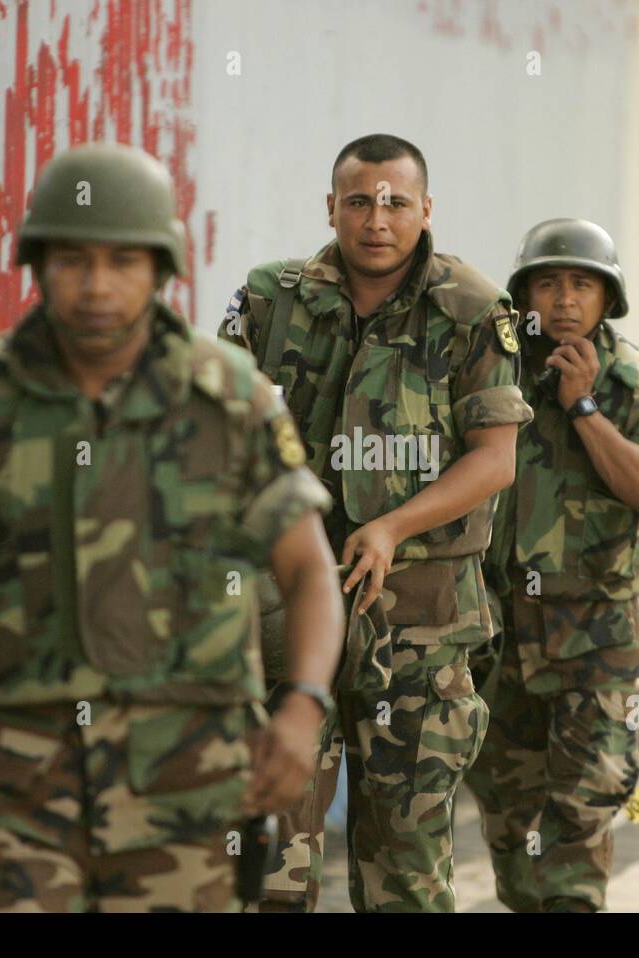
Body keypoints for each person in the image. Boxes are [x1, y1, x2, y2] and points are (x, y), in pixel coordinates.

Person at [0, 142, 344, 912]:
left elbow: (309, 570)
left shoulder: (229, 400)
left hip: (186, 798)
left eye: (123, 261)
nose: (96, 285)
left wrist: (303, 707)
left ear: (162, 269)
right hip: (17, 798)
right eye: (72, 259)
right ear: (35, 263)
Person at [219, 133, 533, 912]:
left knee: (405, 878)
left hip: (421, 635)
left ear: (426, 211)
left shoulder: (471, 309)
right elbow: (218, 438)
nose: (376, 218)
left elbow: (494, 459)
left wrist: (393, 525)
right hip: (290, 625)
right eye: (358, 201)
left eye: (396, 201)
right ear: (331, 208)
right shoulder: (272, 300)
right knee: (275, 870)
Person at [465, 218, 639, 912]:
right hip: (498, 636)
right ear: (525, 294)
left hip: (594, 644)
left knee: (581, 815)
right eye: (549, 282)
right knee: (507, 821)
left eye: (581, 283)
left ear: (606, 297)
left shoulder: (637, 380)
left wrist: (584, 408)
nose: (564, 299)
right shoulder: (489, 371)